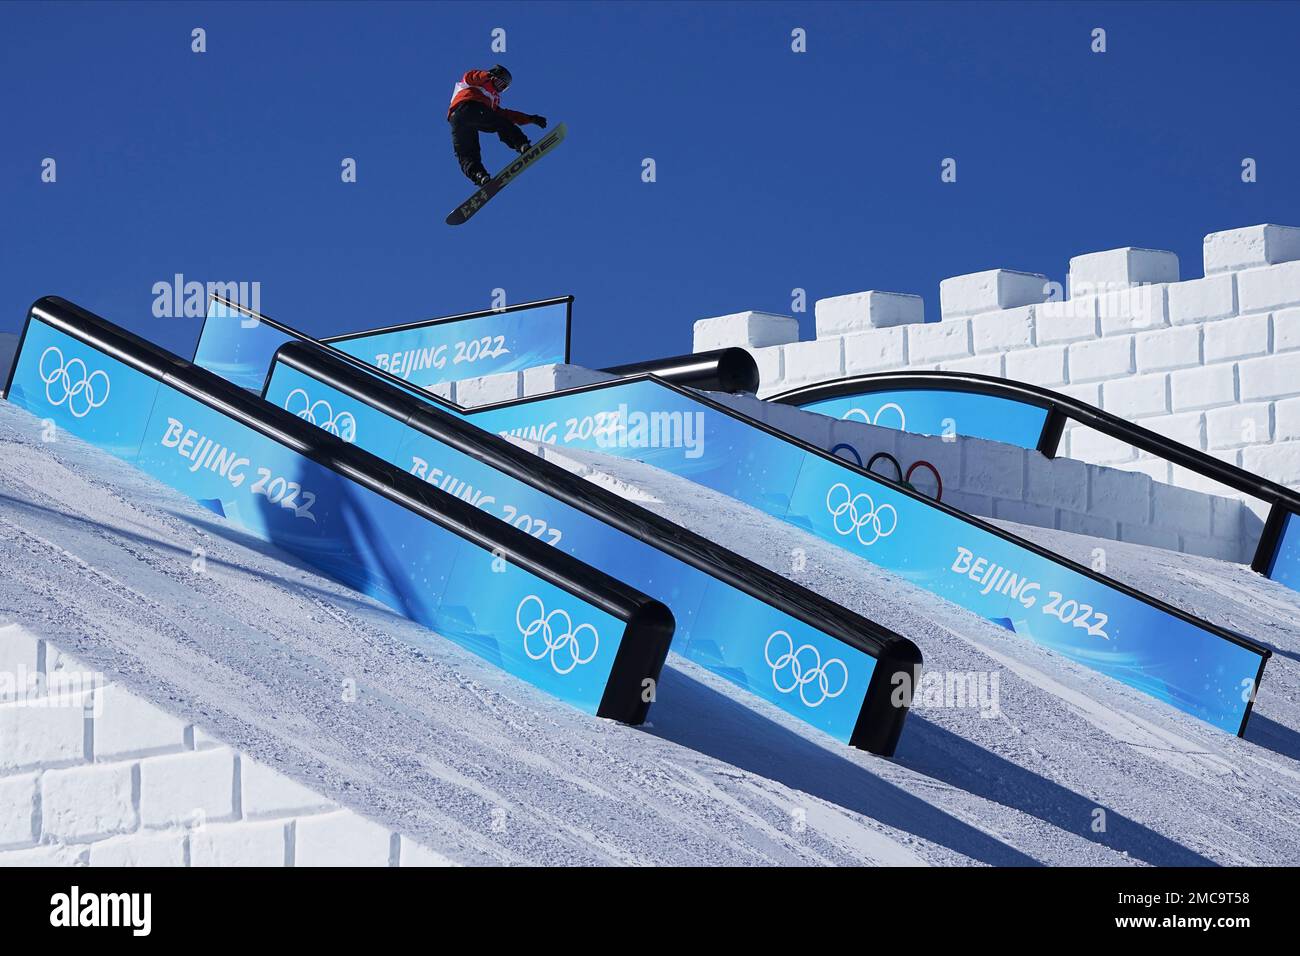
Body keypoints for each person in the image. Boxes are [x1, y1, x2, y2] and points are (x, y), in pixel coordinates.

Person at [447, 65, 548, 187]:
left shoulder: (492, 99)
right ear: (493, 77)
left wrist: (530, 119)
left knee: (467, 151)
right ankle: (521, 144)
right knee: (501, 123)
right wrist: (487, 75)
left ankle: (480, 175)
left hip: (457, 119)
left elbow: (506, 114)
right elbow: (472, 77)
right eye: (499, 83)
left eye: (503, 87)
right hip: (469, 107)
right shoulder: (476, 82)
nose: (499, 88)